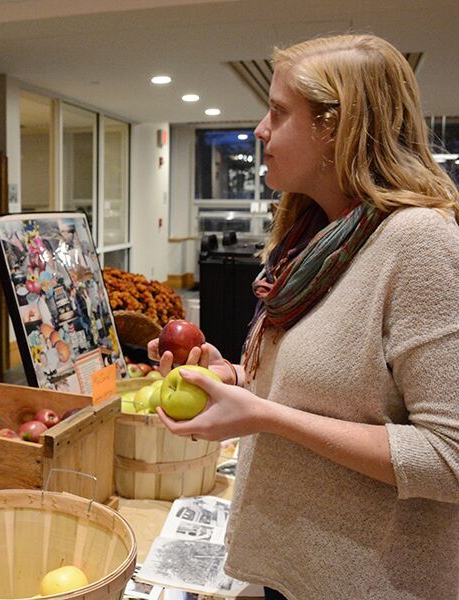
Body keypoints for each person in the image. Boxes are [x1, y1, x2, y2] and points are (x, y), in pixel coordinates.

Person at [149, 34, 459, 599]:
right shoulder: (312, 240)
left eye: (278, 111)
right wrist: (234, 377)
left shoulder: (420, 242)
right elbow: (327, 391)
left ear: (336, 127)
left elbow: (449, 456)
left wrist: (266, 417)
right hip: (291, 570)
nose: (259, 130)